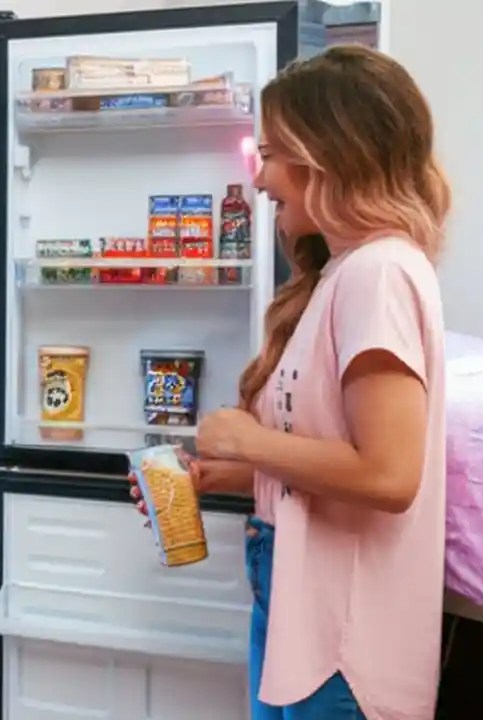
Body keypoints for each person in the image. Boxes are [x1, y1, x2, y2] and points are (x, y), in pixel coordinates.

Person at [130, 45, 450, 720]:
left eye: (271, 154)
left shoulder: (380, 273)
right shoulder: (342, 274)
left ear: (327, 154)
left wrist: (247, 443)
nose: (261, 177)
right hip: (299, 611)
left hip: (347, 638)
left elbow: (390, 476)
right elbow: (331, 459)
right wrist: (220, 477)